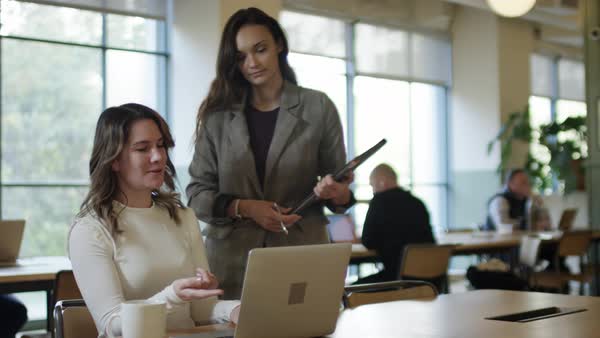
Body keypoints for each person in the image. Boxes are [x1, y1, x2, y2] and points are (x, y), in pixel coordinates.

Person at [186, 7, 355, 299]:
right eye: (240, 57)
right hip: (231, 263)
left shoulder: (318, 107)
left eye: (260, 49)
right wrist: (246, 207)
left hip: (301, 255)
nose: (252, 63)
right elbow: (197, 196)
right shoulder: (217, 115)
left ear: (279, 44)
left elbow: (341, 194)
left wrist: (336, 193)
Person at [69, 104, 240, 338]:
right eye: (142, 149)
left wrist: (236, 309)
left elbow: (203, 311)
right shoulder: (90, 230)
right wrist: (173, 296)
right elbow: (111, 325)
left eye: (161, 145)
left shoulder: (183, 217)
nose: (158, 156)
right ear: (114, 160)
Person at [357, 164, 435, 284]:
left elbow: (368, 241)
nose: (373, 190)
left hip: (398, 279)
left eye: (373, 185)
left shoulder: (378, 203)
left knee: (348, 292)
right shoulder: (418, 203)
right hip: (430, 280)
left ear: (382, 182)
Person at [485, 169, 551, 232]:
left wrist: (537, 202)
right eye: (523, 182)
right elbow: (504, 227)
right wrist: (527, 224)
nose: (528, 186)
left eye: (528, 183)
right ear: (510, 184)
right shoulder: (500, 201)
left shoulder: (528, 200)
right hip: (496, 242)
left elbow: (546, 224)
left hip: (519, 240)